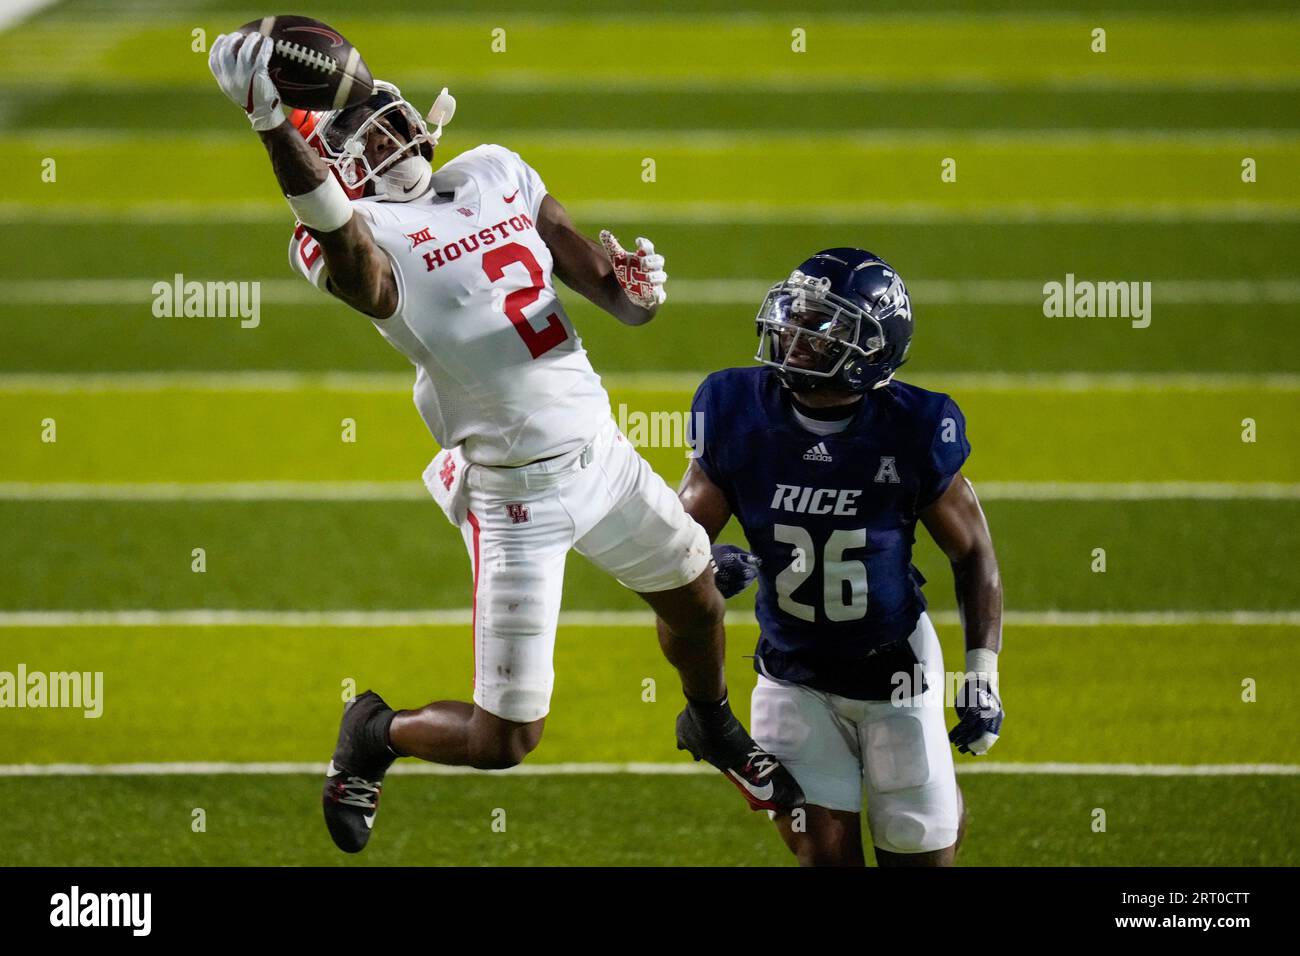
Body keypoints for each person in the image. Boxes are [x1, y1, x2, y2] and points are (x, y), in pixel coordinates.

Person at [207, 31, 803, 854]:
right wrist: (273, 127)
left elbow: (608, 291)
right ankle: (375, 733)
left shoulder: (495, 170)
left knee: (698, 599)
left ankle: (711, 725)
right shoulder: (355, 233)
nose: (382, 137)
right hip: (516, 493)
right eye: (360, 141)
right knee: (505, 740)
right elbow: (358, 268)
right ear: (335, 176)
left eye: (386, 122)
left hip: (601, 452)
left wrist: (634, 290)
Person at [678, 248, 1004, 866]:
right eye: (797, 313)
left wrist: (982, 671)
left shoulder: (913, 425)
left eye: (826, 325)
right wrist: (700, 565)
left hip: (895, 672)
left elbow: (974, 552)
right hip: (790, 674)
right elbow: (677, 539)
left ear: (873, 349)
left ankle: (939, 802)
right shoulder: (734, 407)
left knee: (918, 854)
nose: (795, 333)